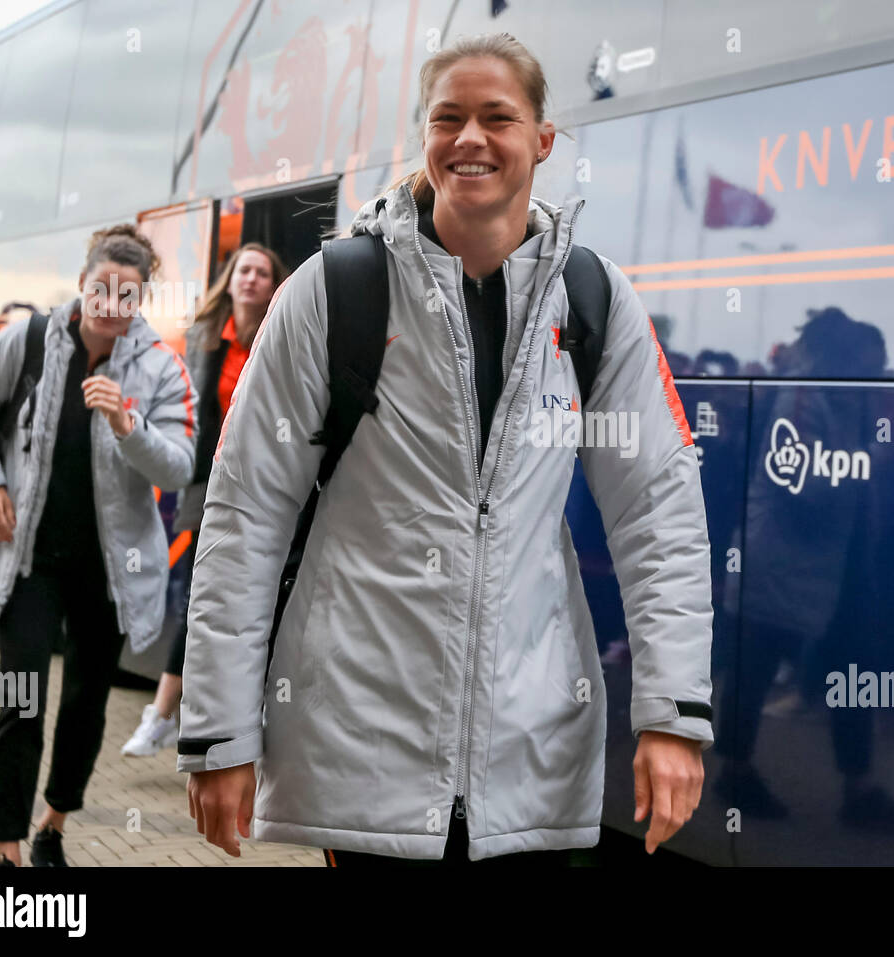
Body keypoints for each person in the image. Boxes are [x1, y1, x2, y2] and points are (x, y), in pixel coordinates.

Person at [178, 33, 714, 866]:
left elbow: (658, 510)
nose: (470, 138)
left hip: (532, 753)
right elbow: (245, 513)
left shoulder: (595, 300)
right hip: (364, 751)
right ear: (425, 140)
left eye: (497, 117)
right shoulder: (333, 293)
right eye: (448, 118)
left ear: (542, 139)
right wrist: (219, 733)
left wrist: (671, 717)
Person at [0, 225, 197, 866]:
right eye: (102, 289)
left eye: (128, 294)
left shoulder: (162, 368)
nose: (112, 304)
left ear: (141, 301)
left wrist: (127, 423)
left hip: (110, 571)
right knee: (22, 695)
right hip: (28, 561)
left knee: (85, 704)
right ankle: (7, 850)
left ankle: (52, 824)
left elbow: (179, 466)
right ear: (84, 284)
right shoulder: (28, 339)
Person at [120, 243, 289, 757]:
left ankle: (251, 722)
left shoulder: (285, 333)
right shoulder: (204, 339)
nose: (253, 279)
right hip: (213, 488)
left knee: (270, 600)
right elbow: (187, 410)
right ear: (230, 280)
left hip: (276, 489)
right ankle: (160, 716)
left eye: (263, 272)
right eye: (245, 270)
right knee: (201, 597)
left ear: (273, 284)